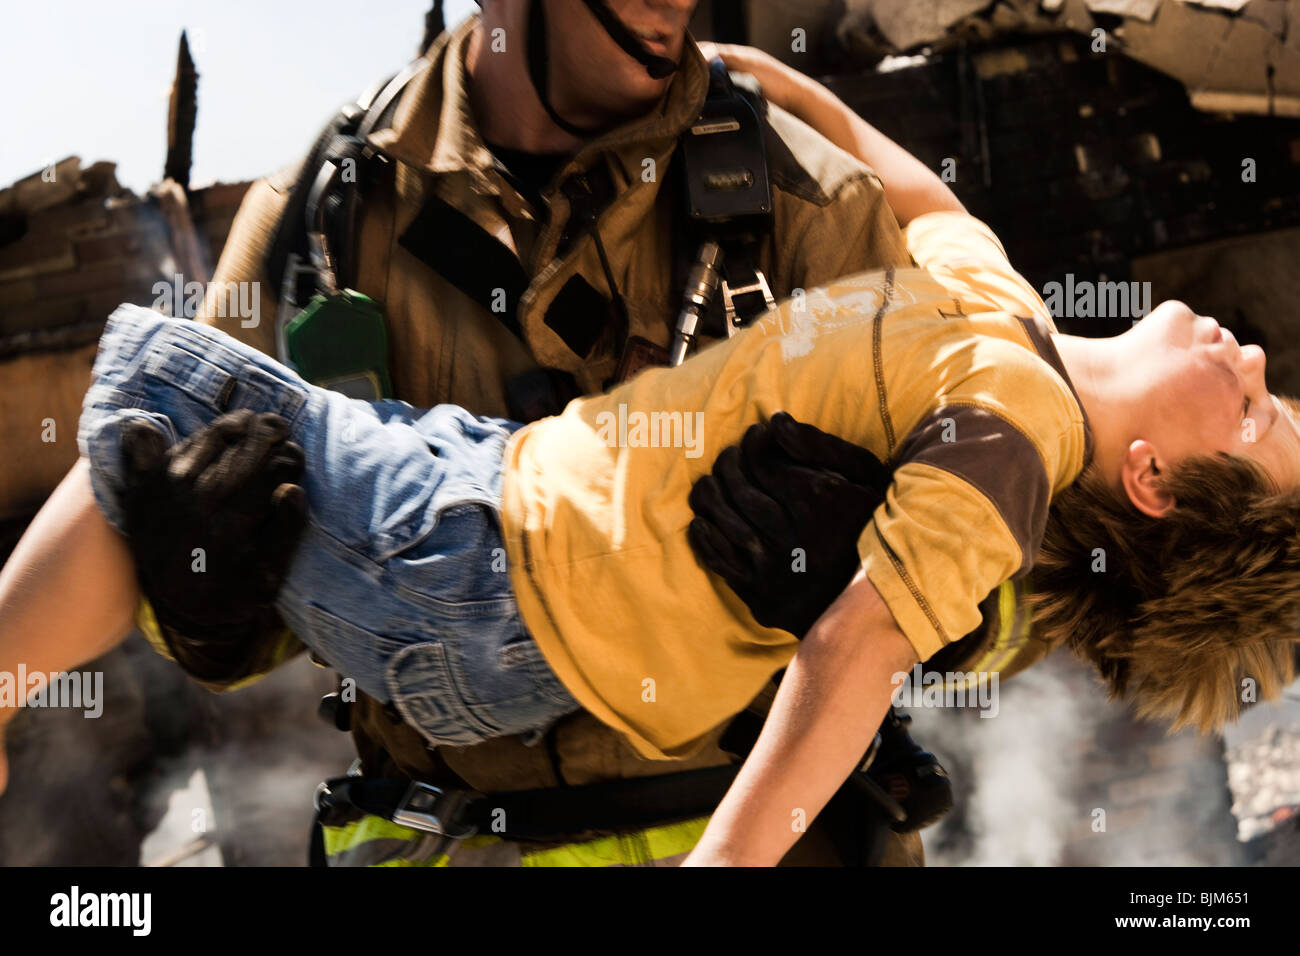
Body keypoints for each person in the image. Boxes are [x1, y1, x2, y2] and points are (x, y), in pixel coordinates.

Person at [6, 178, 1300, 863]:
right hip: (447, 751)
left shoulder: (819, 202)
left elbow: (1021, 594)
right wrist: (209, 605)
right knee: (178, 416)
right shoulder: (334, 197)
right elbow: (223, 559)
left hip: (678, 761)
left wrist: (879, 599)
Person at [112, 1, 953, 865]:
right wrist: (200, 582)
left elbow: (1010, 562)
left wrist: (857, 580)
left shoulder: (813, 207)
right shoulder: (322, 218)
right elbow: (220, 621)